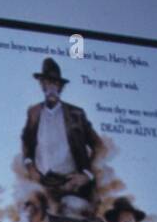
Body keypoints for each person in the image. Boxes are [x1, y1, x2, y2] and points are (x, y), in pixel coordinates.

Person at [21, 58, 101, 201]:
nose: (51, 88)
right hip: (42, 184)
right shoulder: (34, 112)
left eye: (55, 83)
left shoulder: (76, 114)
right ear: (42, 85)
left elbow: (98, 146)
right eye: (47, 83)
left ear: (61, 87)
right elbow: (26, 142)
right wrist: (29, 166)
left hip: (71, 184)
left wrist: (87, 175)